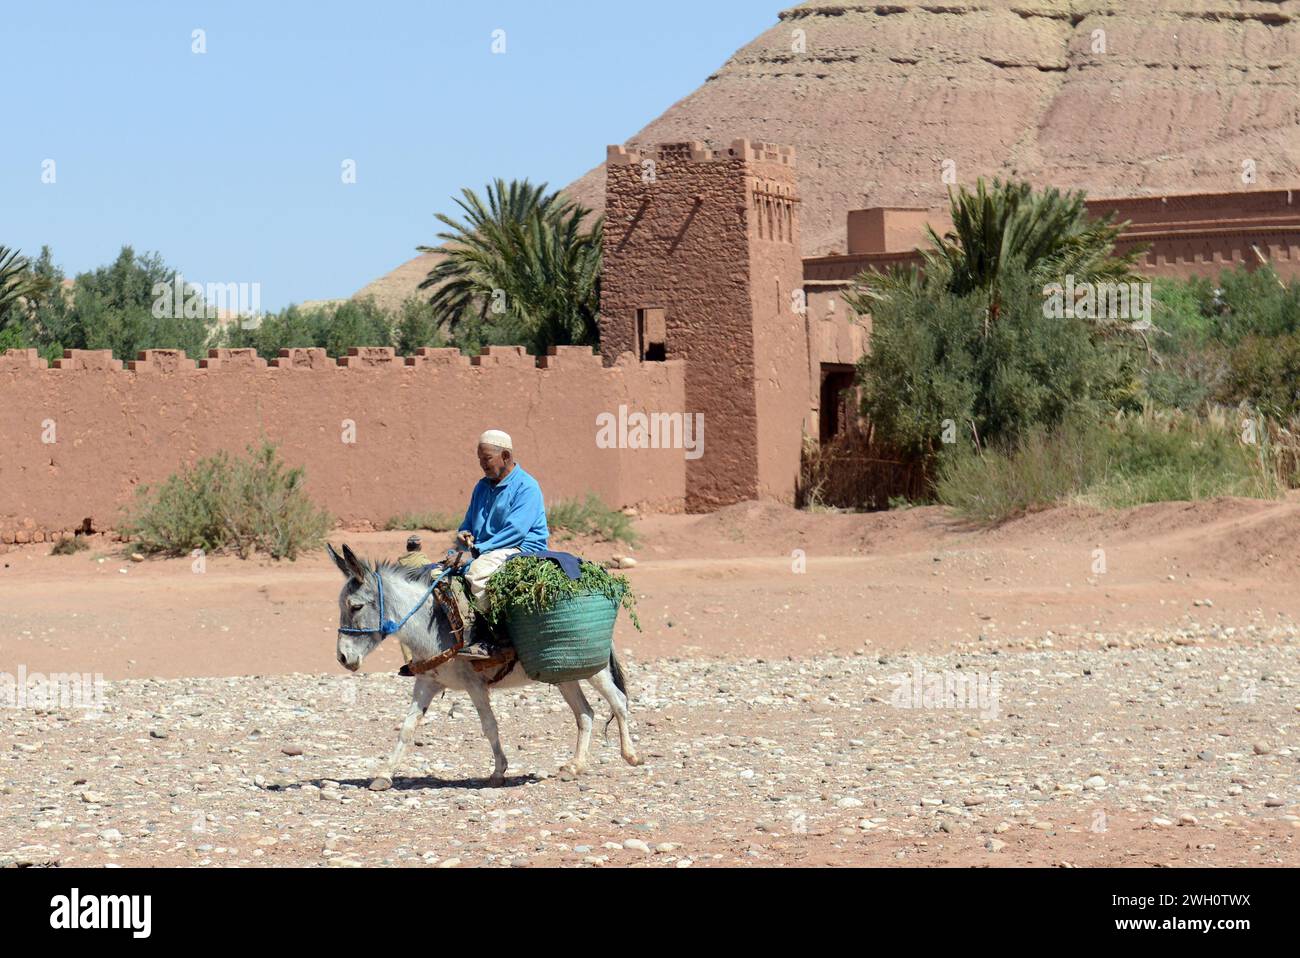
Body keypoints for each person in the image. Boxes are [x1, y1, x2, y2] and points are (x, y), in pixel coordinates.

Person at [438, 429, 548, 659]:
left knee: (477, 573)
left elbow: (515, 531)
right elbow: (468, 522)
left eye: (486, 459)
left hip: (521, 548)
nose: (482, 465)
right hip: (485, 549)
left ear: (505, 456)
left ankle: (496, 638)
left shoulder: (527, 487)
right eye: (480, 459)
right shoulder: (481, 487)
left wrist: (476, 552)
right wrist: (463, 536)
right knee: (438, 574)